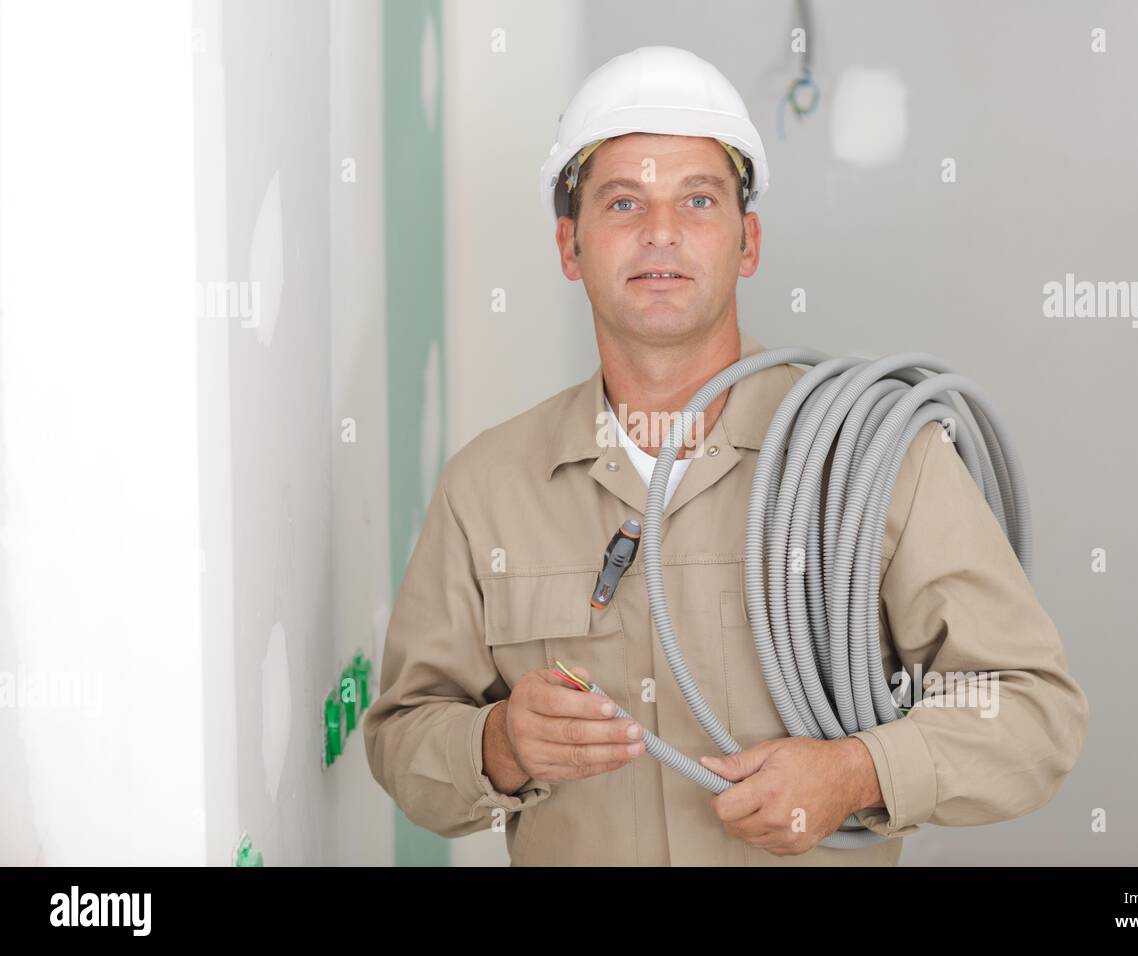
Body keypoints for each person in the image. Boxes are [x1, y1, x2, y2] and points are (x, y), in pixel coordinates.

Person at [364, 45, 1089, 866]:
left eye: (697, 200)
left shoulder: (871, 458)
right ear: (571, 246)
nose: (662, 233)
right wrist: (498, 743)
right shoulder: (487, 487)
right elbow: (402, 738)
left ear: (746, 242)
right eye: (624, 203)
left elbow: (1034, 714)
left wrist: (855, 774)